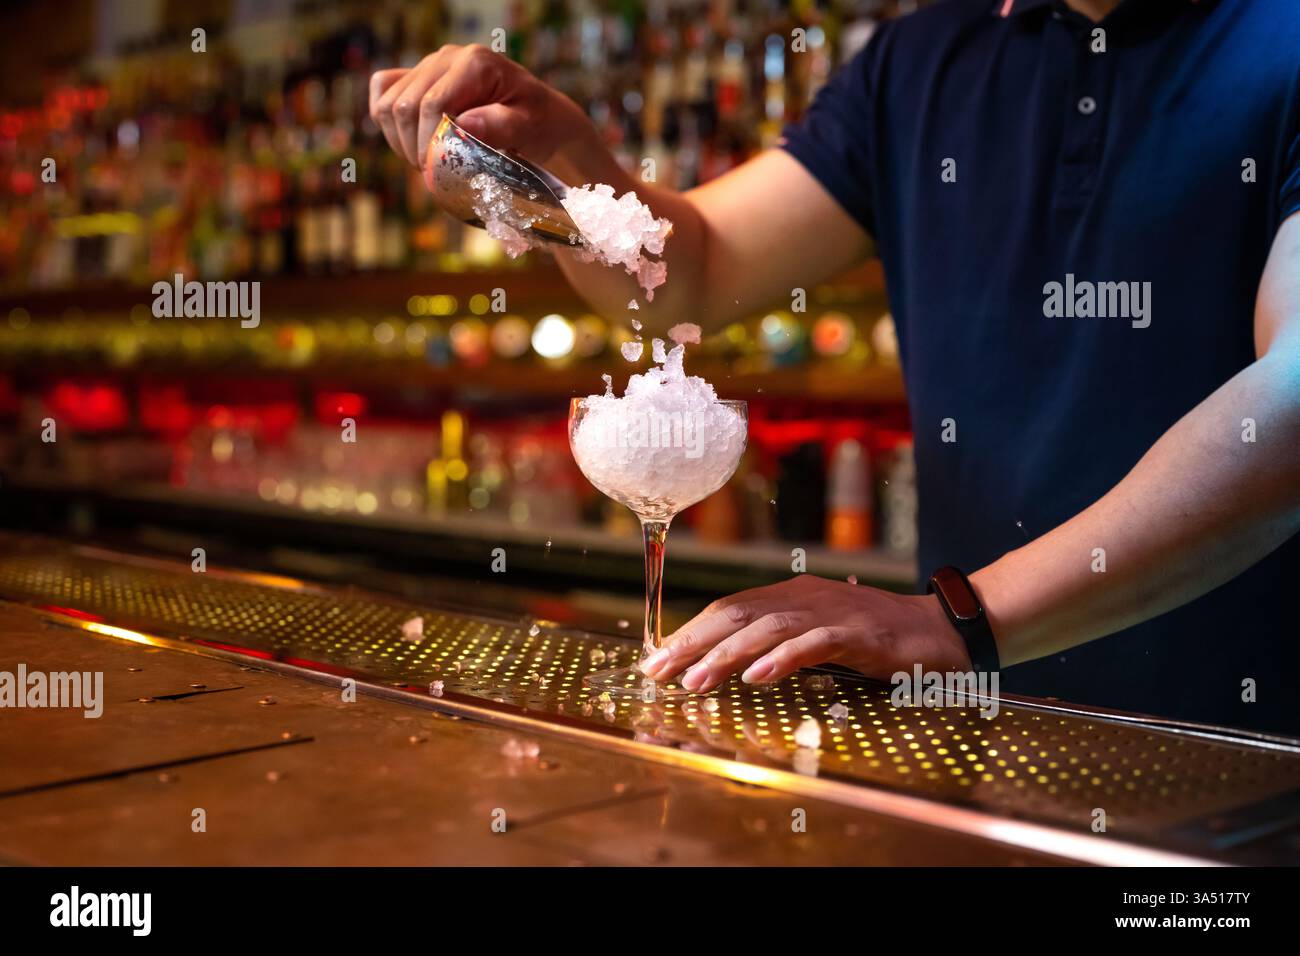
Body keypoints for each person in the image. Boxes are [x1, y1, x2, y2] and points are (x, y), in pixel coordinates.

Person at [371, 0, 1300, 734]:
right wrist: (569, 159)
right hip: (971, 728)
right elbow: (684, 279)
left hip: (1237, 747)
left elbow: (1292, 399)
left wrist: (956, 622)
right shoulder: (919, 60)